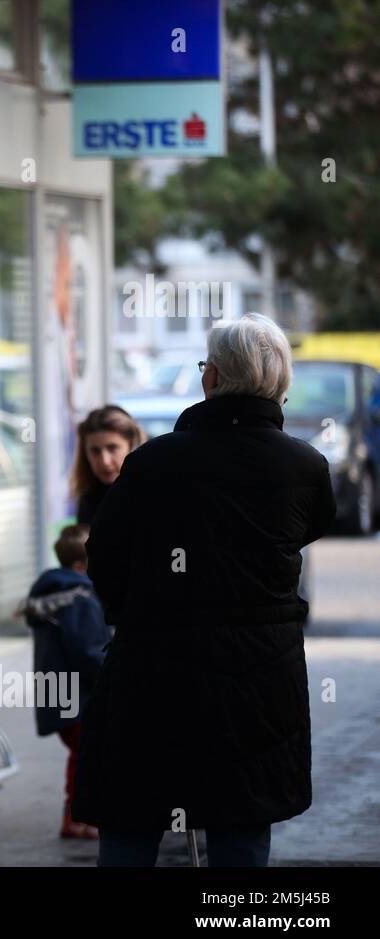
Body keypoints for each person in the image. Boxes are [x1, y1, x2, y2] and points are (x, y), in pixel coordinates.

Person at [72, 314, 336, 867]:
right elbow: (306, 531)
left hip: (154, 667)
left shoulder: (153, 463)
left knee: (133, 813)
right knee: (241, 820)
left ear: (211, 377)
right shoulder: (306, 467)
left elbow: (106, 556)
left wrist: (134, 613)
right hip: (262, 680)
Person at [23, 524, 110, 841]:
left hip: (57, 691)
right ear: (80, 565)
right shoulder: (79, 599)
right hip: (78, 695)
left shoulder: (51, 593)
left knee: (84, 754)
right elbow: (87, 652)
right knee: (91, 755)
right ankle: (80, 818)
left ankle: (77, 817)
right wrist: (113, 672)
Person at [70, 405, 145, 525]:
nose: (104, 461)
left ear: (132, 446)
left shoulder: (151, 495)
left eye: (112, 448)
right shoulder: (88, 498)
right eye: (95, 451)